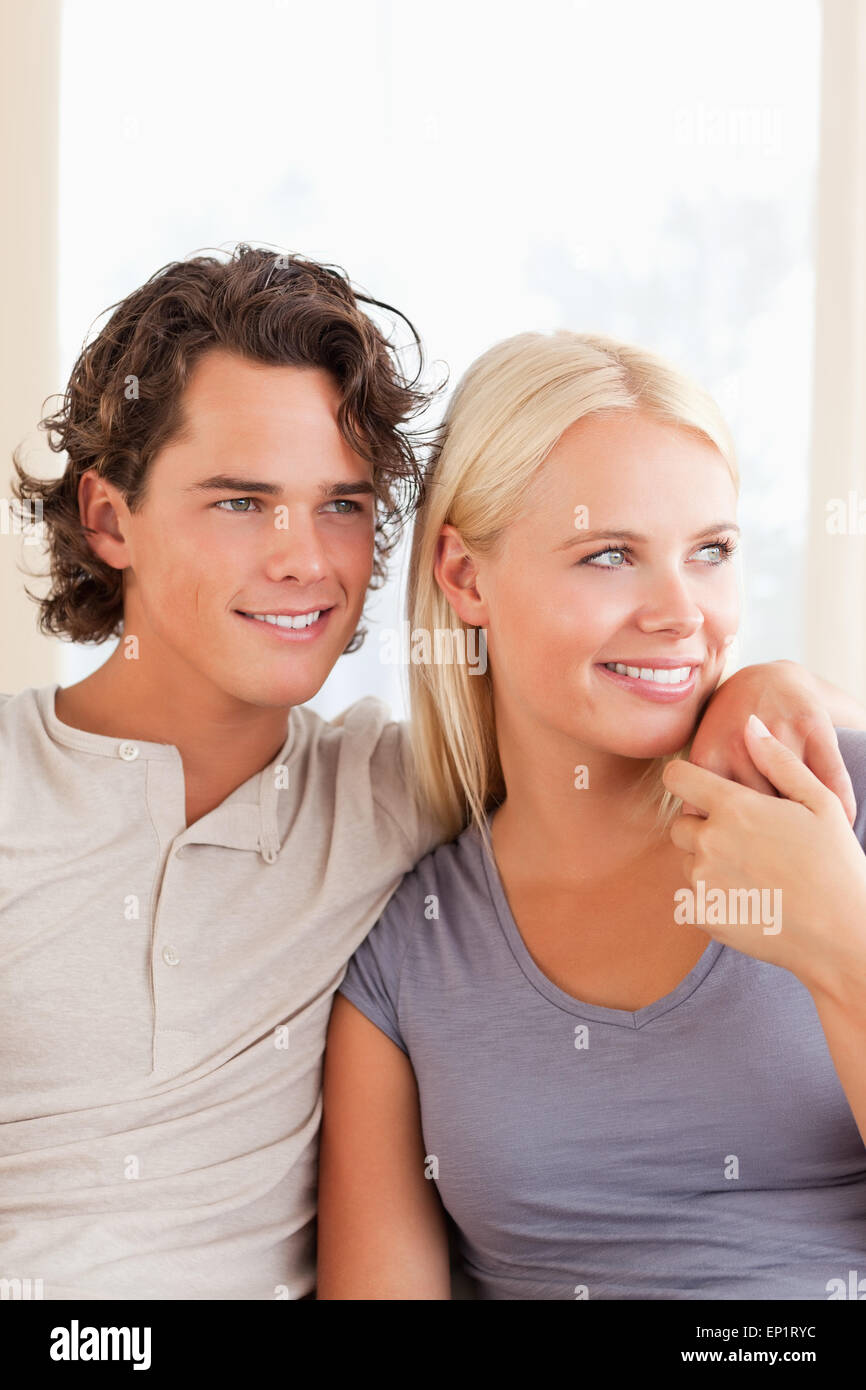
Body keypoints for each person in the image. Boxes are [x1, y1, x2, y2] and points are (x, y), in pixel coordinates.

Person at [318, 329, 866, 1300]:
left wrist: (841, 949)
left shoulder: (837, 800)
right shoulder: (409, 949)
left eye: (710, 552)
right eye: (609, 554)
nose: (680, 612)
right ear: (463, 576)